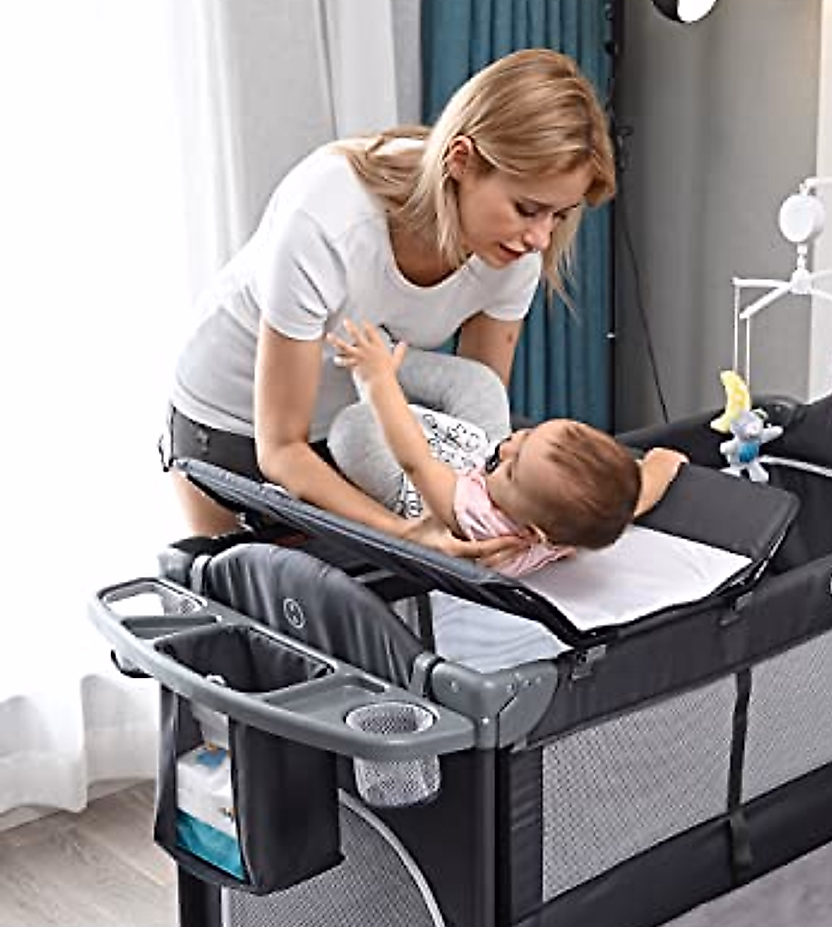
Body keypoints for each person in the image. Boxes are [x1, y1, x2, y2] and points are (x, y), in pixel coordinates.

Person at [163, 48, 615, 562]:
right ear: (461, 160)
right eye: (527, 209)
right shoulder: (328, 218)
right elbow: (281, 449)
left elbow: (469, 434)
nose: (540, 238)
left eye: (559, 215)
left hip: (353, 423)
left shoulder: (516, 251)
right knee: (246, 598)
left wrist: (500, 520)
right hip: (233, 423)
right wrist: (407, 535)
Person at [328, 320, 688, 577]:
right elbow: (634, 501)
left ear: (533, 533)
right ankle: (387, 354)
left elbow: (415, 462)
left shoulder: (482, 523)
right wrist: (663, 463)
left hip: (418, 490)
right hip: (471, 456)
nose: (508, 447)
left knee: (355, 428)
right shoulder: (569, 526)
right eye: (528, 436)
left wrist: (379, 381)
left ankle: (373, 362)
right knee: (483, 384)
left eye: (512, 471)